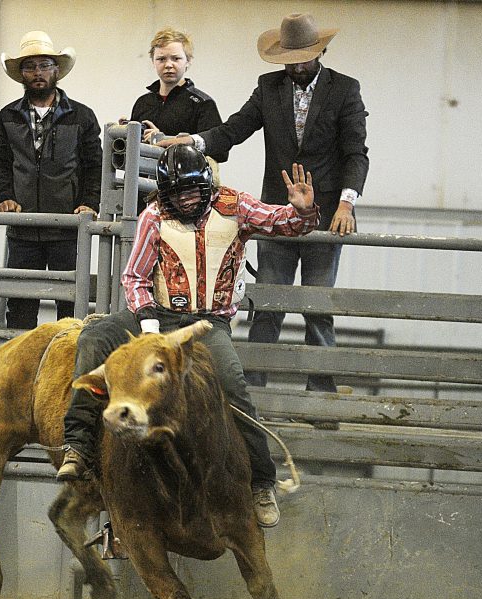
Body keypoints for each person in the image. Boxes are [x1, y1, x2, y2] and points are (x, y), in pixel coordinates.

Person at [57, 145, 320, 528]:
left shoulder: (237, 207)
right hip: (157, 317)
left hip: (207, 324)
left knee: (232, 385)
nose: (185, 200)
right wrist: (146, 322)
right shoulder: (153, 217)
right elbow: (135, 277)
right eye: (177, 193)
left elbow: (287, 225)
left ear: (207, 187)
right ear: (166, 193)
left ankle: (261, 481)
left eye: (192, 191)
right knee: (95, 337)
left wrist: (301, 210)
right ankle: (78, 443)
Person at [162, 13, 369, 396]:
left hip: (325, 214)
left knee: (317, 305)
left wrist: (346, 203)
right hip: (277, 211)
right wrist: (193, 142)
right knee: (269, 301)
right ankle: (251, 391)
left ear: (321, 51)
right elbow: (235, 128)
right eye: (290, 59)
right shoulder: (269, 87)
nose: (297, 65)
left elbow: (356, 152)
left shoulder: (344, 90)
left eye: (304, 57)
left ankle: (321, 392)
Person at [0, 31, 102, 329]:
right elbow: (2, 163)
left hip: (67, 225)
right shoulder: (7, 116)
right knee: (19, 304)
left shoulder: (83, 116)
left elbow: (95, 166)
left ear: (56, 70)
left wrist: (89, 203)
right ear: (22, 74)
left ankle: (64, 368)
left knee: (69, 304)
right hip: (23, 225)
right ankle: (20, 369)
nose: (38, 73)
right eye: (30, 67)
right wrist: (5, 195)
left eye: (44, 65)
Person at [130, 27, 226, 159]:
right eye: (161, 59)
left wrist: (164, 139)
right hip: (143, 177)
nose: (168, 65)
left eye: (176, 59)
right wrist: (126, 133)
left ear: (188, 62)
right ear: (153, 62)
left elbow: (220, 153)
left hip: (183, 177)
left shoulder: (203, 104)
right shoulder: (143, 102)